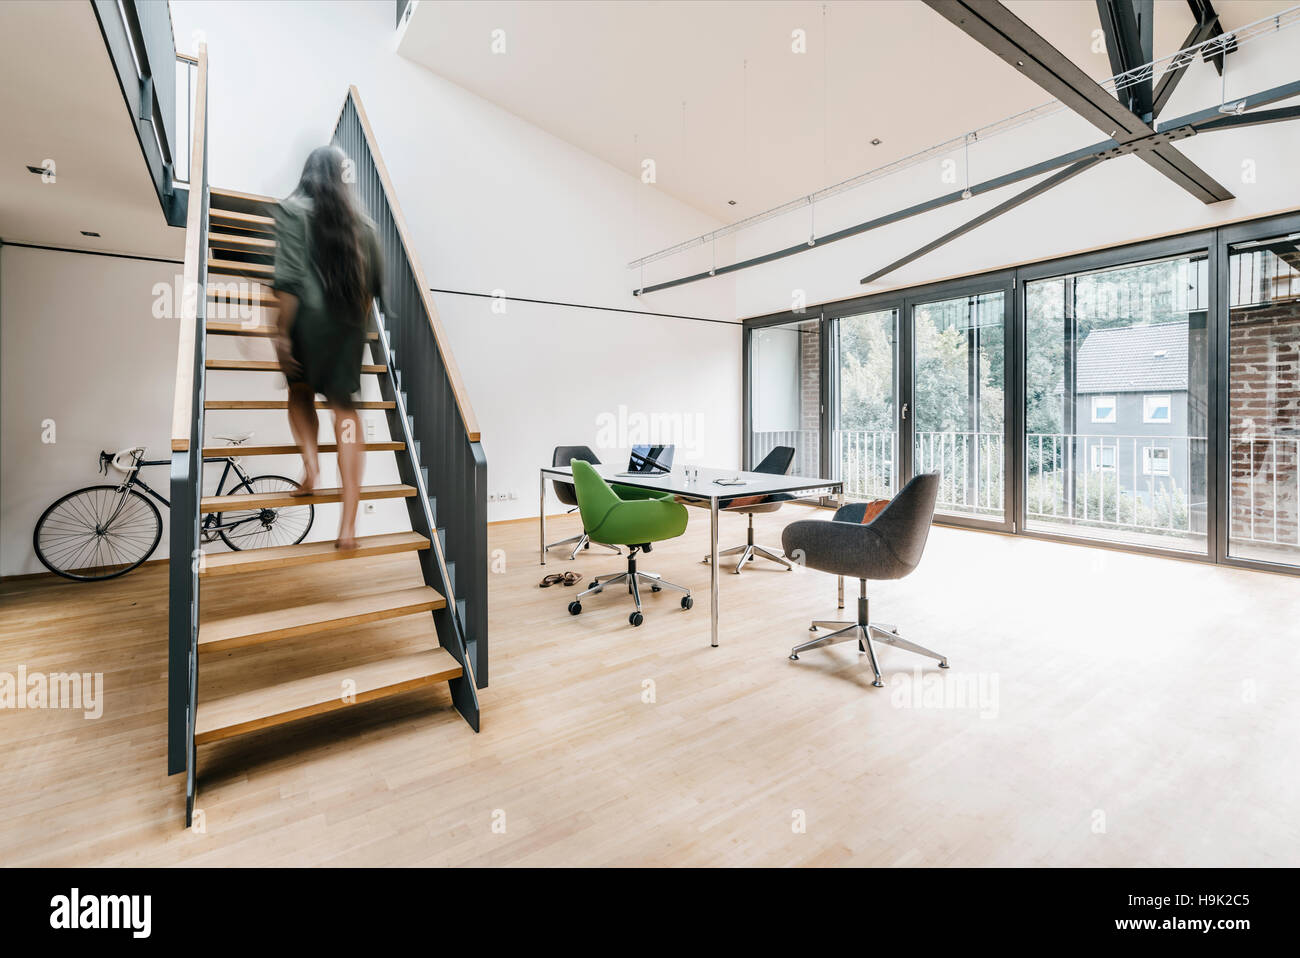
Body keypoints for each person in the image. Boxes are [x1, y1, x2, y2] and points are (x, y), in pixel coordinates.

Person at [271, 145, 384, 550]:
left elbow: (289, 279)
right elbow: (372, 289)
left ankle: (311, 468)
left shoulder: (292, 210)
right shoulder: (365, 225)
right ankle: (348, 526)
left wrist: (283, 333)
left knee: (300, 391)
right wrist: (355, 329)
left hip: (307, 319)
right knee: (345, 415)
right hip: (348, 326)